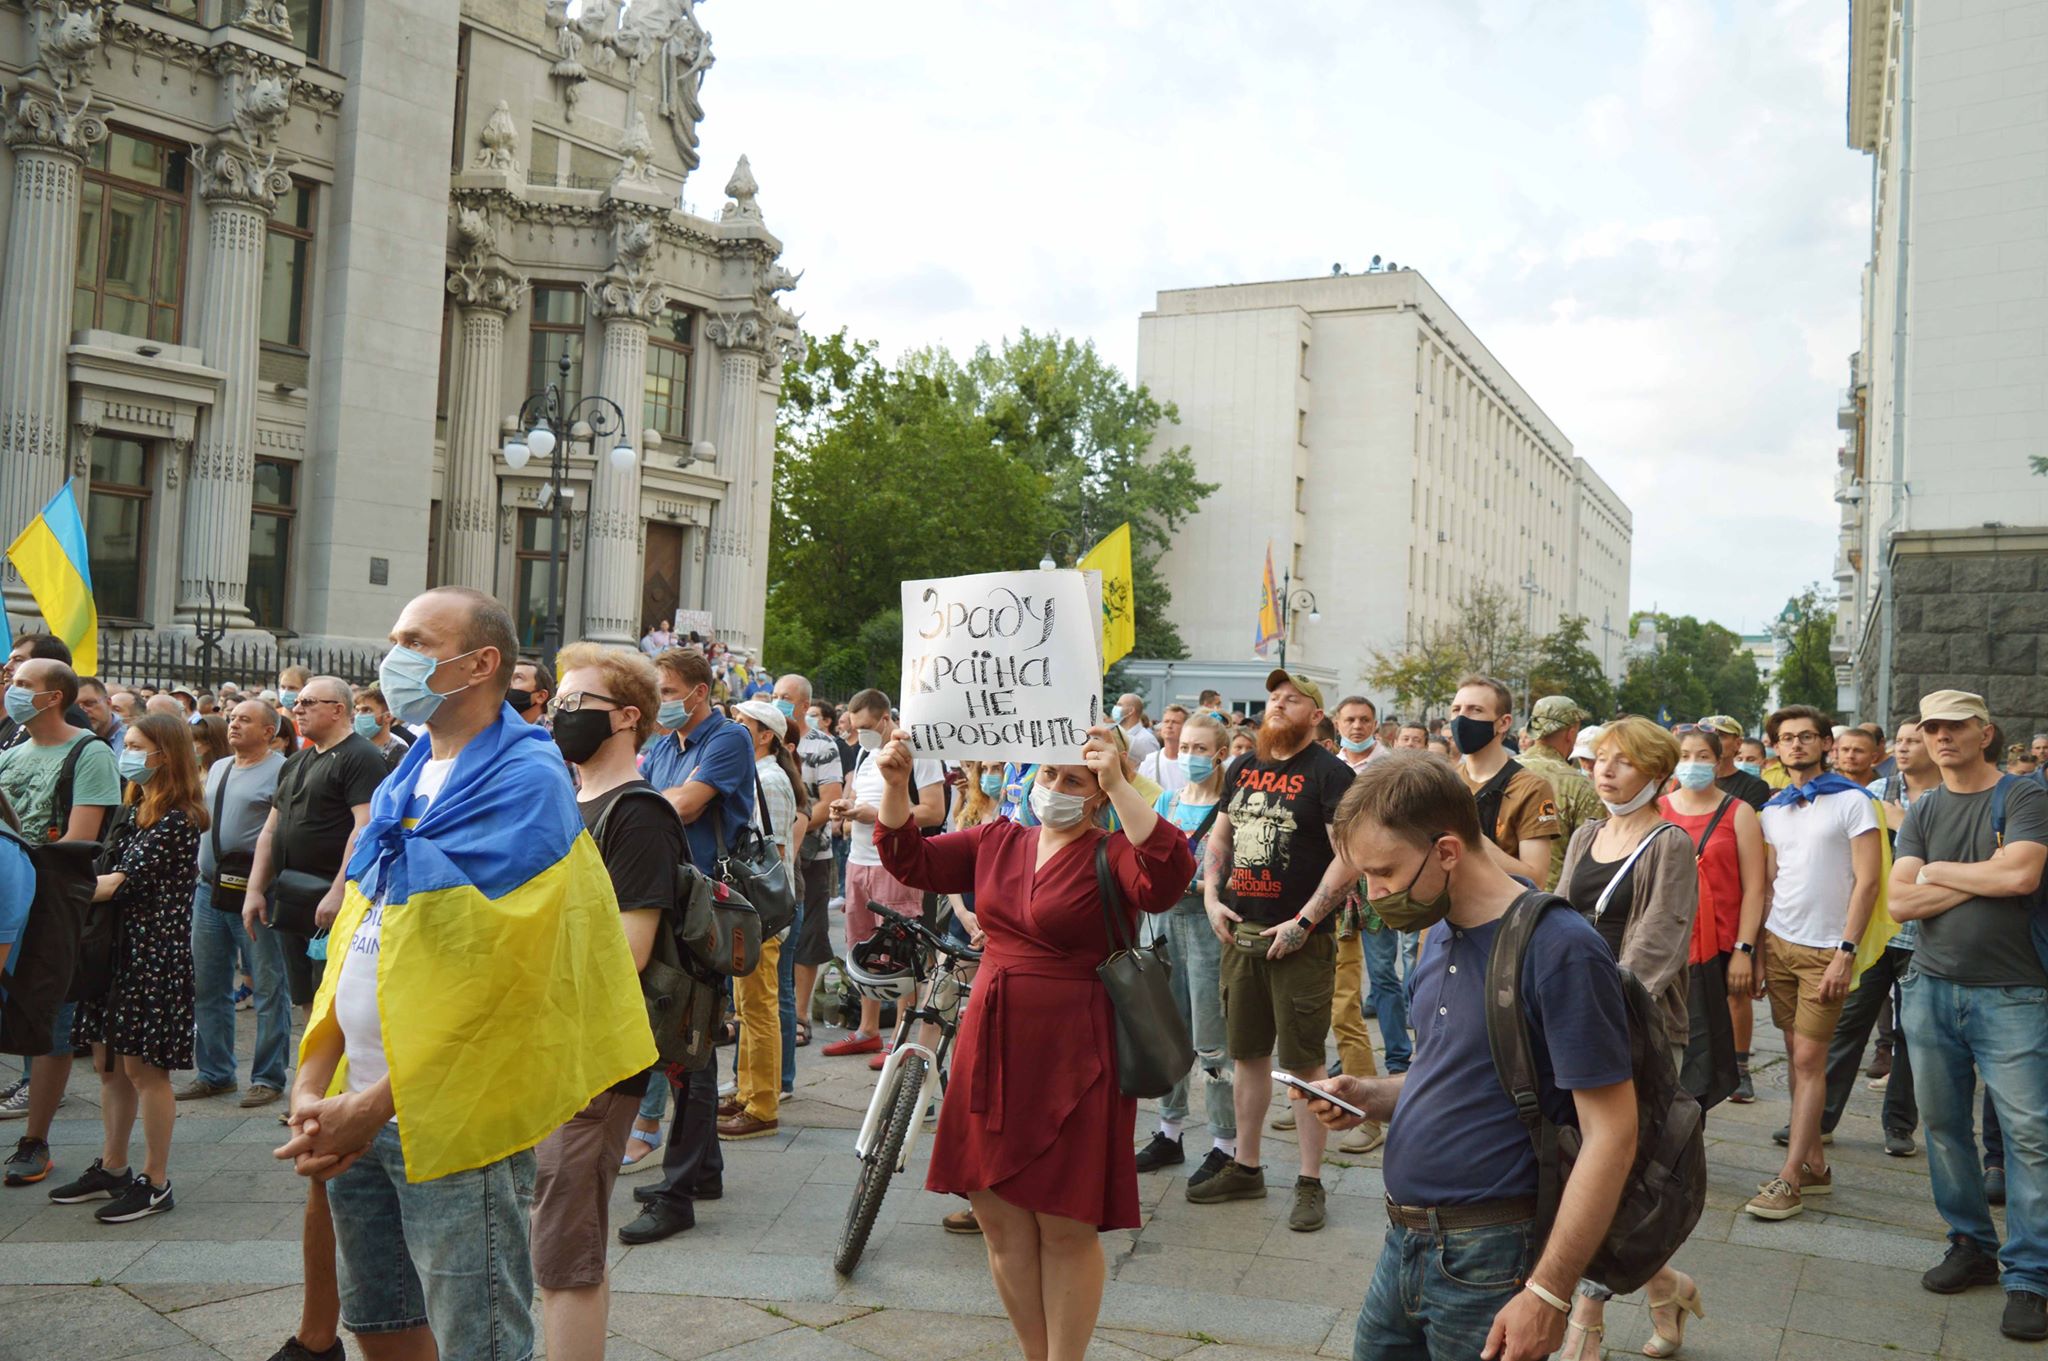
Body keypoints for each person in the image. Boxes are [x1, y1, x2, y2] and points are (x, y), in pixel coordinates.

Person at [277, 588, 651, 1361]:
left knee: (479, 1339)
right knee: (380, 1322)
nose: (394, 654)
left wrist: (377, 1105)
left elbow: (512, 980)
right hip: (358, 1094)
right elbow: (359, 933)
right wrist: (312, 1082)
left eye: (415, 638)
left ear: (480, 663)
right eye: (395, 637)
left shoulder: (528, 783)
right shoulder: (403, 775)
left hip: (450, 1114)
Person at [870, 721, 1193, 1361]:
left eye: (1077, 779)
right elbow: (910, 858)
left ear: (1099, 794)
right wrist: (895, 784)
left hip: (1077, 1050)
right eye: (1050, 774)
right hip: (991, 1040)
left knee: (1066, 1223)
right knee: (998, 1217)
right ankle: (1034, 1352)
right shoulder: (998, 840)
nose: (1058, 787)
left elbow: (1170, 874)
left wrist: (1120, 782)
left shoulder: (1112, 849)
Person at [1299, 752, 1637, 1361]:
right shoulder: (1440, 926)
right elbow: (1457, 1074)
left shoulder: (1559, 948)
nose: (1373, 896)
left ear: (1448, 851)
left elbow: (1612, 1134)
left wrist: (1548, 1293)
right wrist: (1371, 1096)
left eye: (1382, 873)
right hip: (1403, 1245)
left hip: (1491, 1258)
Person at [1888, 690, 2048, 1341]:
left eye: (1956, 726)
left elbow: (2022, 878)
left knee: (2029, 1134)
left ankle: (2032, 1275)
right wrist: (1983, 870)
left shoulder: (2024, 795)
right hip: (1931, 988)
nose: (1942, 736)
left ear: (1985, 730)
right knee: (1945, 1126)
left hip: (2014, 992)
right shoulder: (1923, 805)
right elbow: (1899, 901)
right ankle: (1972, 1245)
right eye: (1932, 727)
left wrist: (1938, 873)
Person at [535, 642, 678, 1361]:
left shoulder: (639, 814)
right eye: (556, 702)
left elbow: (630, 949)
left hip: (593, 1056)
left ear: (626, 717)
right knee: (550, 1237)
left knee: (567, 1250)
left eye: (575, 704)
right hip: (548, 1045)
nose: (559, 714)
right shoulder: (567, 798)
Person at [241, 675, 385, 1361]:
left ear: (341, 710)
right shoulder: (297, 758)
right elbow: (273, 825)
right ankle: (317, 1333)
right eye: (294, 705)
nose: (295, 710)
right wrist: (258, 884)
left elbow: (363, 828)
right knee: (307, 1009)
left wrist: (338, 890)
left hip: (340, 911)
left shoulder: (363, 757)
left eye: (308, 702)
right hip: (295, 905)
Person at [1552, 718, 1703, 1360]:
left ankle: (1586, 1321)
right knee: (1571, 1164)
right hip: (1571, 1014)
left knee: (1612, 1169)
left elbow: (1659, 942)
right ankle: (1666, 1287)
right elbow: (1557, 913)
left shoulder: (1668, 841)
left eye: (1623, 762)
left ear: (1656, 773)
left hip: (1630, 1022)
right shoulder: (1587, 833)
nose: (1605, 771)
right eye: (1599, 760)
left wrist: (1601, 1007)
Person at [1192, 670, 1357, 1232]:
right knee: (1247, 1055)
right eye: (1273, 699)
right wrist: (1213, 896)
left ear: (1316, 715)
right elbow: (1222, 836)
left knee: (1305, 1061)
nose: (1277, 705)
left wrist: (1305, 921)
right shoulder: (1243, 766)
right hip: (1240, 933)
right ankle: (1247, 1164)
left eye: (1292, 700)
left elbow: (1349, 857)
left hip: (1300, 943)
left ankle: (1310, 1181)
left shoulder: (1332, 774)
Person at [621, 646, 760, 1245]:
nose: (662, 703)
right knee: (685, 1042)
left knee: (691, 1044)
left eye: (669, 691)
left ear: (699, 692)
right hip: (671, 903)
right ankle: (702, 1171)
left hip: (706, 913)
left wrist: (630, 813)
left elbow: (679, 805)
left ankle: (677, 1193)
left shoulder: (726, 739)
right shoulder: (661, 746)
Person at [48, 714, 205, 1222]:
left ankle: (156, 1180)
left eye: (137, 745)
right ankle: (113, 1167)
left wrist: (43, 891)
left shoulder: (178, 818)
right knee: (108, 1066)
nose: (127, 752)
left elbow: (115, 882)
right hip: (114, 952)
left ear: (165, 754)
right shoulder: (135, 806)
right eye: (127, 743)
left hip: (151, 958)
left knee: (144, 1071)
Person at [1747, 705, 1882, 1222]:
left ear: (1827, 744)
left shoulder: (1853, 802)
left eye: (1807, 737)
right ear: (1776, 748)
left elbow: (1867, 882)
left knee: (1807, 1063)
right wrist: (1759, 951)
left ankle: (1789, 1180)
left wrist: (1845, 953)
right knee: (1794, 1054)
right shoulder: (1774, 809)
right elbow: (1770, 884)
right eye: (1786, 738)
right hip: (1780, 944)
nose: (1796, 745)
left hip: (1827, 950)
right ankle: (1817, 1168)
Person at [0, 657, 122, 1186]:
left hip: (51, 900)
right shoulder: (10, 749)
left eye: (25, 685)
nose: (13, 691)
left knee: (49, 1018)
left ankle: (36, 1139)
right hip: (7, 887)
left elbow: (79, 841)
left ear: (53, 697)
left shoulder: (88, 752)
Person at [1813, 719, 1935, 1155]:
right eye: (1900, 741)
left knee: (1914, 1034)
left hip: (1928, 934)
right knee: (1849, 1025)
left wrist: (1908, 826)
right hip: (1875, 931)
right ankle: (1818, 1121)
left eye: (1913, 741)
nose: (1904, 749)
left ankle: (1899, 1126)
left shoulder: (1949, 796)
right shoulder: (1874, 794)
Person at [1133, 713, 1238, 1182]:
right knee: (1167, 1032)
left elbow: (1235, 873)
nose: (1190, 756)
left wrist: (1205, 885)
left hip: (1206, 929)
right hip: (1161, 925)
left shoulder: (1231, 808)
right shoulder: (1169, 802)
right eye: (1185, 748)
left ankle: (1225, 1143)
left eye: (1201, 749)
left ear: (1220, 753)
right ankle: (1169, 1132)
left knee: (1212, 1041)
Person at [820, 688, 945, 1058]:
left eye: (865, 726)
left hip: (896, 864)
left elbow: (933, 812)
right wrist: (846, 808)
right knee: (862, 947)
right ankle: (868, 1028)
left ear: (886, 718)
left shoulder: (917, 752)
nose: (859, 734)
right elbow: (861, 799)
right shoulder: (864, 752)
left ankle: (903, 1039)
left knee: (900, 950)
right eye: (854, 727)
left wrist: (873, 814)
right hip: (859, 861)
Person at [183, 700, 290, 1108]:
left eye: (245, 719)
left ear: (269, 731)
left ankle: (268, 1077)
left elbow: (281, 830)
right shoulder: (223, 766)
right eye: (232, 719)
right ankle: (215, 1072)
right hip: (210, 890)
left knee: (267, 985)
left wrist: (262, 884)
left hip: (255, 893)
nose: (234, 725)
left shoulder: (282, 770)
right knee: (208, 984)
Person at [1666, 725, 1768, 1107]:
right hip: (1672, 939)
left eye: (1703, 756)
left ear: (1718, 760)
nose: (1693, 764)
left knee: (1720, 1022)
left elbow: (1754, 887)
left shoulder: (1738, 811)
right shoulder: (1659, 809)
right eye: (1685, 755)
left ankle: (1736, 1069)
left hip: (1723, 939)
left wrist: (1745, 948)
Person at [725, 697, 808, 1141]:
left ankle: (762, 1104)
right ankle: (746, 1091)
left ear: (766, 737)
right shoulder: (763, 774)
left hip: (762, 913)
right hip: (754, 911)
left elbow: (771, 855)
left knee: (759, 1008)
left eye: (745, 723)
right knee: (748, 1006)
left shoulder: (770, 779)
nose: (736, 727)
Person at [778, 673, 843, 1054]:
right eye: (774, 695)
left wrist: (795, 827)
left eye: (785, 697)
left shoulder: (823, 746)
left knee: (809, 936)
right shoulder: (768, 738)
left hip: (811, 854)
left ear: (804, 705)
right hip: (771, 853)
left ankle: (800, 1015)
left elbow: (829, 800)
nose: (778, 702)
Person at [1449, 676, 1559, 884]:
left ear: (1503, 723)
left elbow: (1535, 878)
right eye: (1456, 710)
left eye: (1476, 710)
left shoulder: (1530, 788)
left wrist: (1473, 842)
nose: (1462, 719)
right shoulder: (1447, 781)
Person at [1521, 696, 1603, 892]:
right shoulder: (1582, 787)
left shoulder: (1503, 770)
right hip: (1549, 904)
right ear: (1571, 732)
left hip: (1497, 897)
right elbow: (1591, 859)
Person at [1695, 715, 1770, 811]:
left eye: (1720, 736)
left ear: (1738, 743)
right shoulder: (1691, 781)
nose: (1712, 742)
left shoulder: (1754, 786)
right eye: (1707, 736)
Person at [350, 685, 411, 772]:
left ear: (388, 716)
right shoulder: (351, 748)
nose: (359, 715)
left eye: (367, 710)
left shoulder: (399, 753)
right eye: (357, 710)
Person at [1137, 703, 1189, 794]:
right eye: (1166, 721)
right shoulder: (1149, 760)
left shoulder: (1190, 762)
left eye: (1175, 722)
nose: (1169, 725)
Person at [1331, 695, 1382, 773]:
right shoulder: (1331, 765)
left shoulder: (1392, 764)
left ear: (1374, 725)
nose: (1357, 726)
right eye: (1350, 720)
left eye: (1365, 720)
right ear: (1337, 725)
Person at [77, 676, 124, 753]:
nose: (82, 711)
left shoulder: (130, 738)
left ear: (108, 702)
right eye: (75, 706)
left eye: (89, 703)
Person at [1116, 692, 1160, 763]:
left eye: (1119, 705)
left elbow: (1151, 769)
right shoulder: (1119, 733)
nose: (1115, 708)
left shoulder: (1147, 740)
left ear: (1131, 711)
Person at [510, 657, 554, 727]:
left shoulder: (555, 734)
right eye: (507, 679)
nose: (508, 684)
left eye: (518, 678)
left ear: (541, 696)